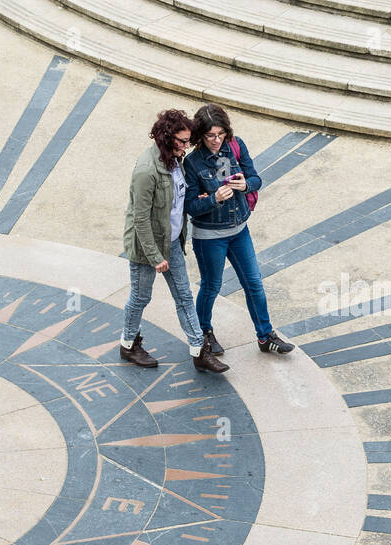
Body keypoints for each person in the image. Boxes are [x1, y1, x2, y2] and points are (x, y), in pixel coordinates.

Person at [182, 104, 294, 356]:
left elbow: (256, 179)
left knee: (254, 283)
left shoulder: (235, 145)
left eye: (221, 134)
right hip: (210, 236)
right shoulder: (192, 163)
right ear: (200, 135)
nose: (217, 140)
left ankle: (265, 336)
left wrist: (245, 185)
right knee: (211, 286)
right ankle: (204, 334)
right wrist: (214, 198)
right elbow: (190, 206)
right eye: (211, 135)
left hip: (239, 230)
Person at [121, 109, 226, 374]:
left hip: (171, 241)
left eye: (188, 140)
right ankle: (128, 344)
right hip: (147, 248)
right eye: (182, 141)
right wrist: (156, 258)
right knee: (141, 296)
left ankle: (198, 351)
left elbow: (176, 200)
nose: (187, 146)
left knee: (183, 297)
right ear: (166, 139)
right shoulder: (147, 170)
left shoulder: (175, 159)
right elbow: (140, 219)